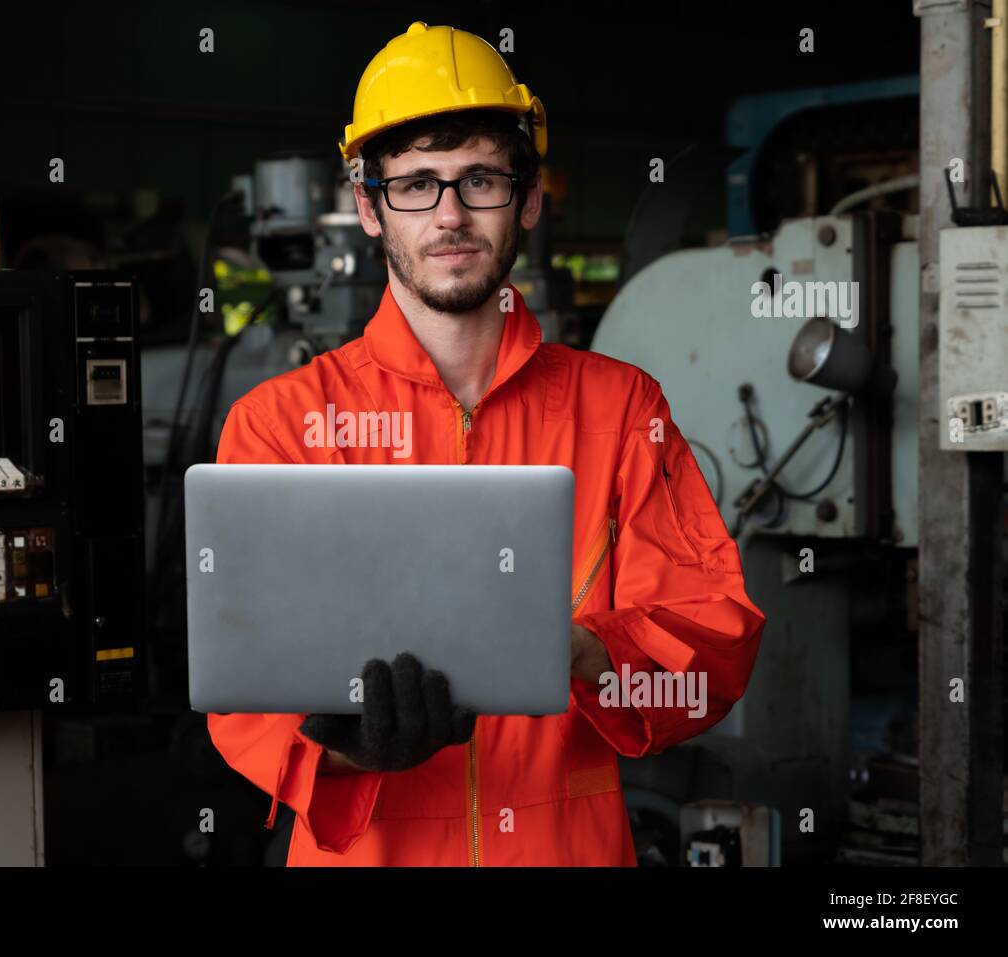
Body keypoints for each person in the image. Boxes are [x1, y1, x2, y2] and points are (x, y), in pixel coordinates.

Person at [208, 21, 765, 866]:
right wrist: (352, 746)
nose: (451, 214)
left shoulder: (620, 410)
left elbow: (713, 637)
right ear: (367, 205)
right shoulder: (283, 423)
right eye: (417, 184)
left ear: (530, 198)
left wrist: (589, 651)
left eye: (481, 179)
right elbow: (240, 688)